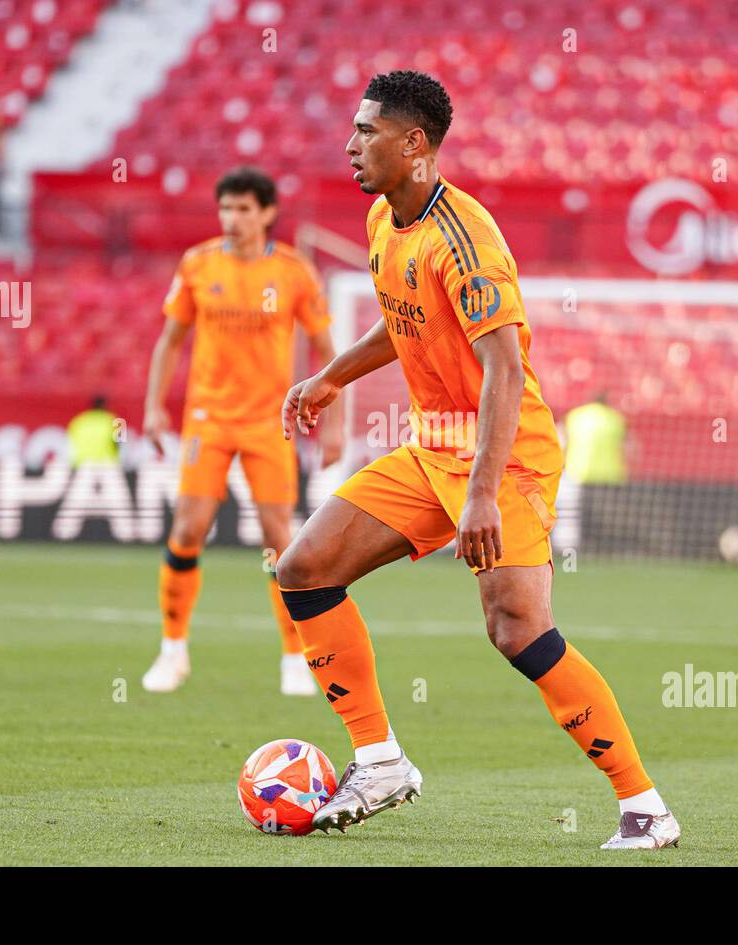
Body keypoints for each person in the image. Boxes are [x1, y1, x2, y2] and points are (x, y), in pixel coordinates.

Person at [276, 71, 678, 850]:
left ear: (414, 144)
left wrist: (484, 495)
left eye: (367, 132)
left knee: (517, 629)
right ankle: (380, 760)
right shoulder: (382, 223)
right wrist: (331, 377)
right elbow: (406, 322)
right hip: (434, 448)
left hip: (508, 457)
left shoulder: (467, 239)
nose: (351, 146)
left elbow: (502, 371)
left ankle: (645, 807)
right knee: (305, 567)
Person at [141, 166, 343, 696]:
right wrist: (154, 406)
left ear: (268, 213)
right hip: (207, 418)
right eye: (225, 208)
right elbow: (170, 340)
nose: (232, 219)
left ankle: (296, 657)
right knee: (188, 528)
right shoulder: (198, 264)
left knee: (280, 537)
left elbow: (328, 354)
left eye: (243, 209)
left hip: (267, 421)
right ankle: (173, 649)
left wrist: (334, 429)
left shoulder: (295, 273)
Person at [563, 394, 628, 484]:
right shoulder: (616, 419)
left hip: (578, 472)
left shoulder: (575, 416)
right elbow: (626, 448)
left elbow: (562, 442)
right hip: (608, 476)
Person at [67, 396, 120, 466]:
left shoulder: (79, 420)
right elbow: (118, 444)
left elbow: (70, 443)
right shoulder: (111, 420)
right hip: (106, 463)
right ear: (104, 405)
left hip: (83, 463)